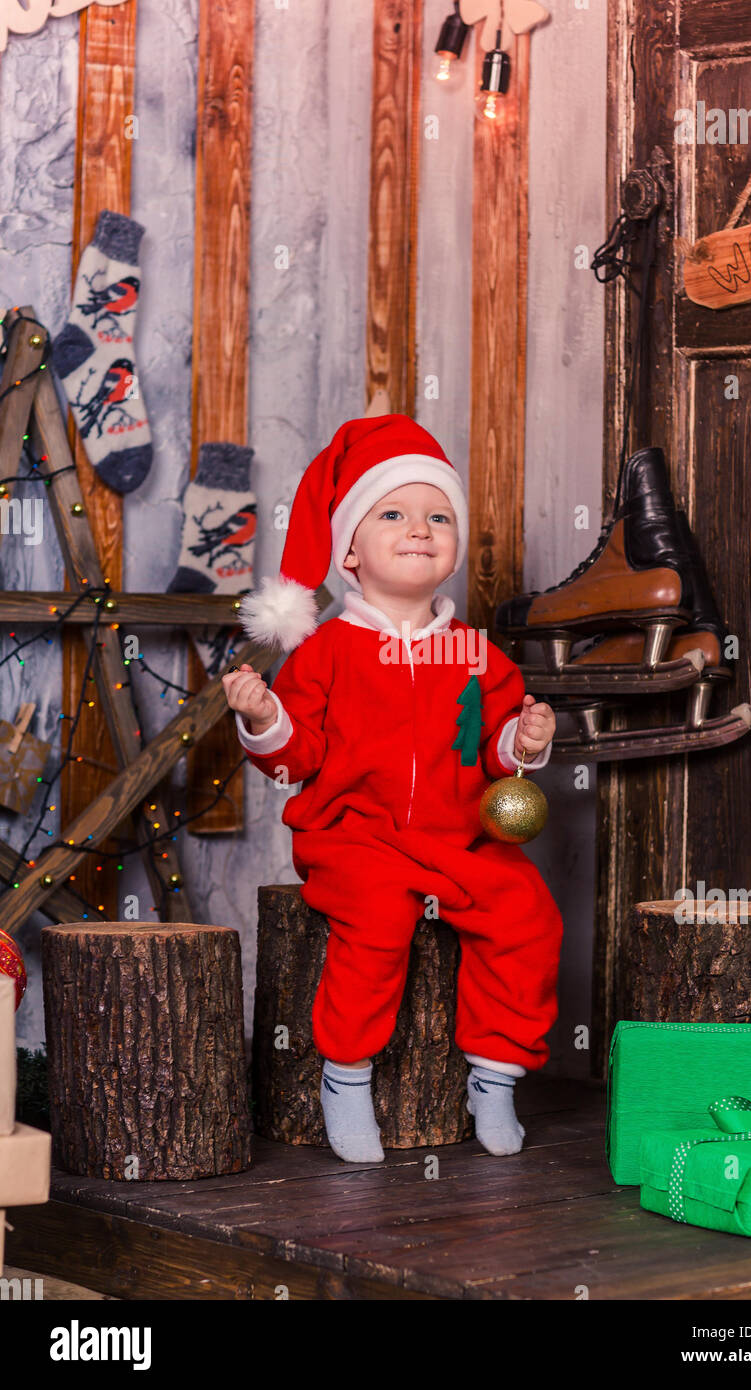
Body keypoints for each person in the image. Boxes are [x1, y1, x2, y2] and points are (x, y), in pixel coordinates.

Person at [223, 414, 563, 1163]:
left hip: (458, 840)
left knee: (527, 911)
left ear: (454, 547)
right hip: (356, 838)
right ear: (350, 549)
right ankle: (345, 1076)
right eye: (394, 513)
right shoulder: (325, 654)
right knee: (377, 920)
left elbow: (491, 748)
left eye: (439, 515)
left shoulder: (475, 654)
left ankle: (496, 1075)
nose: (421, 528)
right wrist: (264, 717)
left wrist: (524, 741)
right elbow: (298, 758)